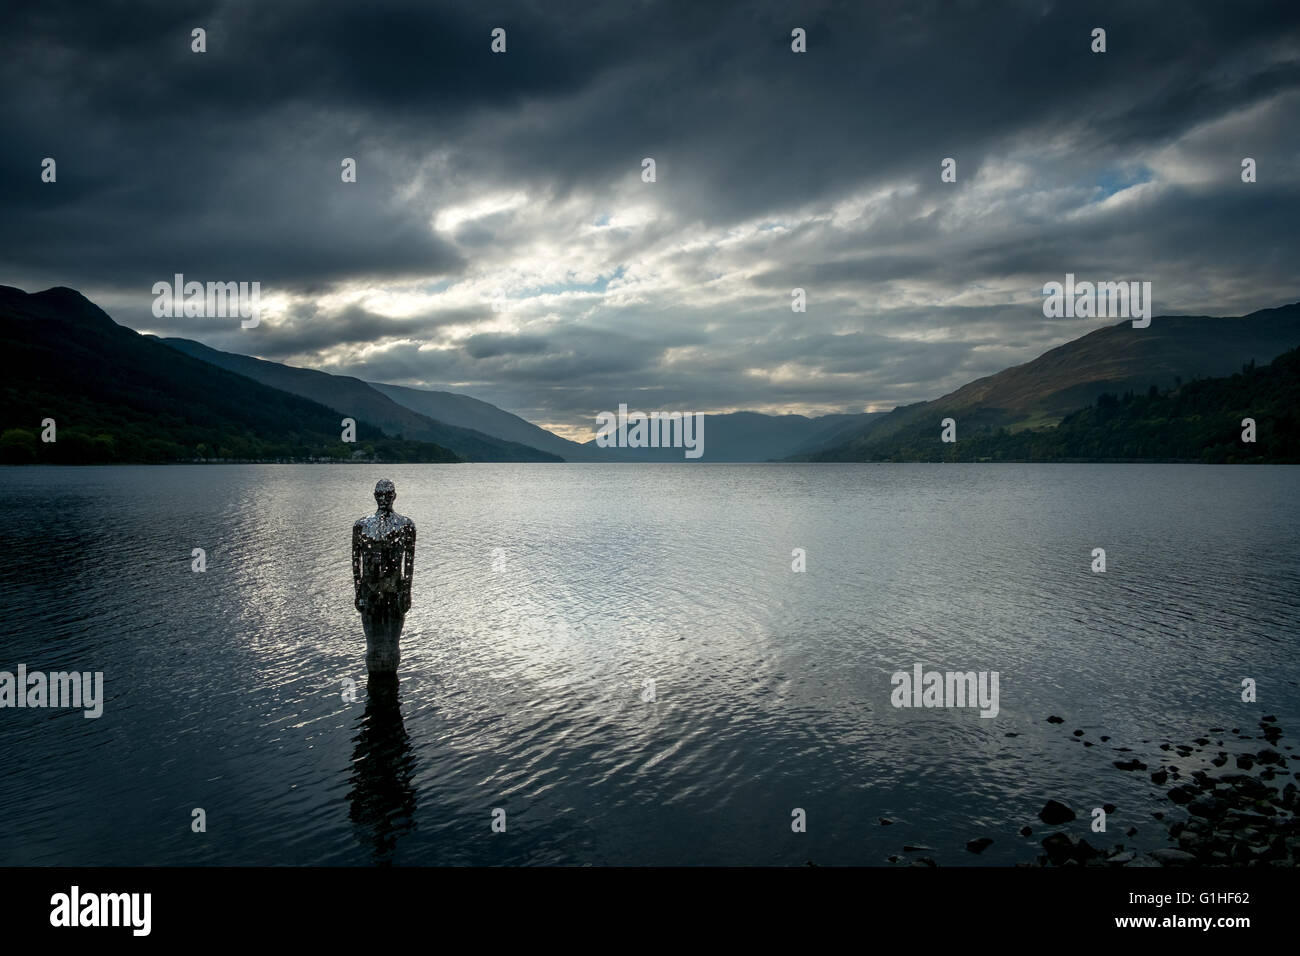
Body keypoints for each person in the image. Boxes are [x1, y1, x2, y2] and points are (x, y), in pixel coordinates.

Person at [352, 479, 416, 673]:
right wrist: (358, 593)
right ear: (374, 496)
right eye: (380, 495)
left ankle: (390, 687)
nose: (383, 499)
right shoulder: (361, 526)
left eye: (387, 495)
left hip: (394, 590)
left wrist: (406, 592)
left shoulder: (406, 525)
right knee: (372, 645)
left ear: (394, 496)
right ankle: (375, 685)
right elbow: (356, 562)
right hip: (370, 591)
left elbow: (408, 563)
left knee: (392, 644)